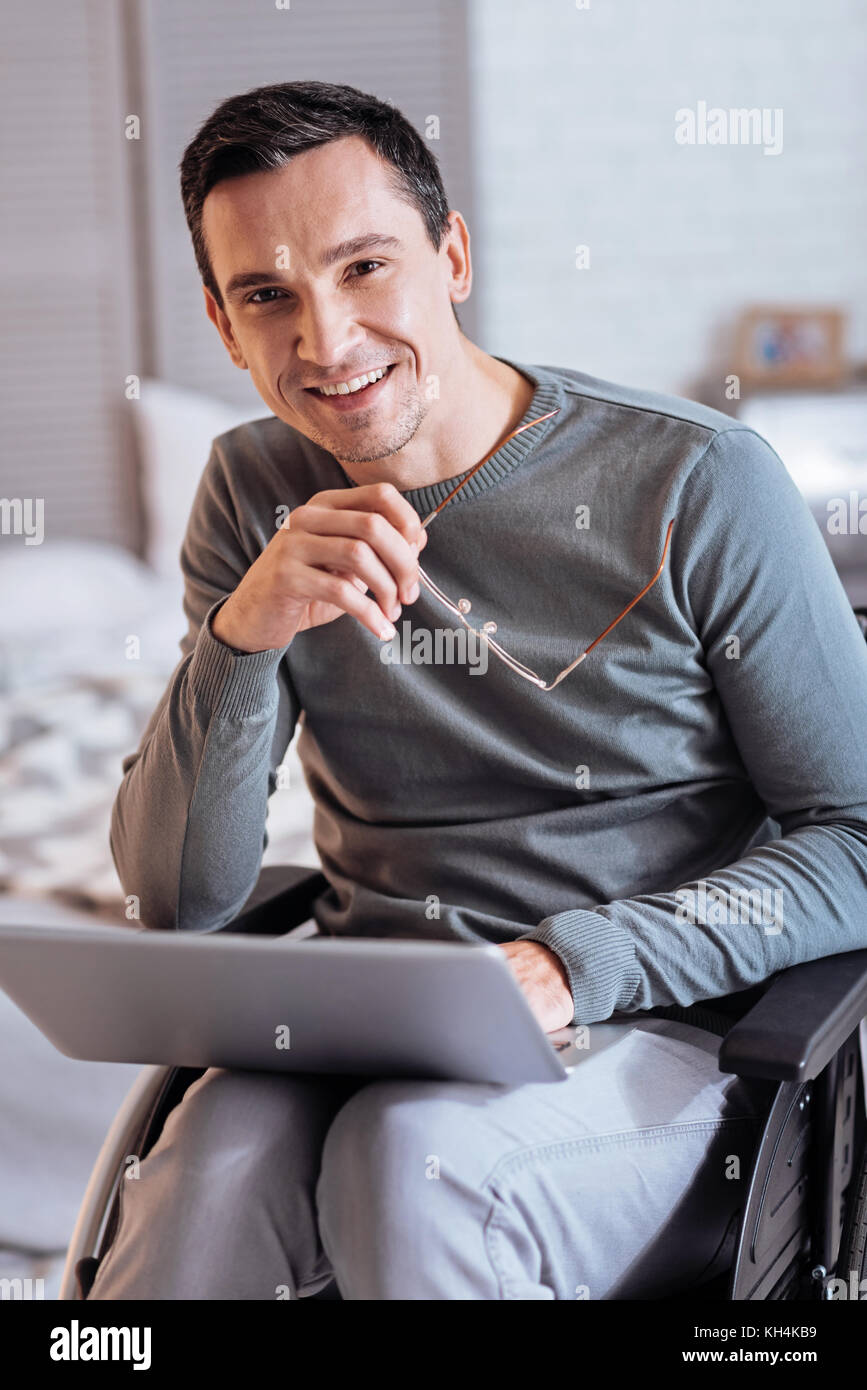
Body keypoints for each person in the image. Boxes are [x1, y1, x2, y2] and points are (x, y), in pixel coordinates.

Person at [87, 81, 867, 1301]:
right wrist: (244, 635)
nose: (327, 341)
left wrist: (569, 962)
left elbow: (857, 839)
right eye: (267, 295)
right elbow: (177, 897)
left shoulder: (698, 481)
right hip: (370, 1024)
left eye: (364, 267)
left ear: (451, 256)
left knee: (415, 1158)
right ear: (222, 324)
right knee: (204, 1177)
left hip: (651, 1028)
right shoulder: (248, 491)